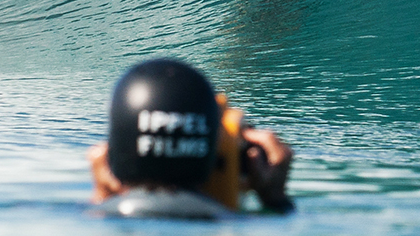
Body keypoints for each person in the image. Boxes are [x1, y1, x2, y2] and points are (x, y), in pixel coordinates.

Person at [88, 57, 295, 218]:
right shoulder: (234, 224)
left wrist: (101, 198)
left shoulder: (91, 219)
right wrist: (275, 200)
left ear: (109, 153)